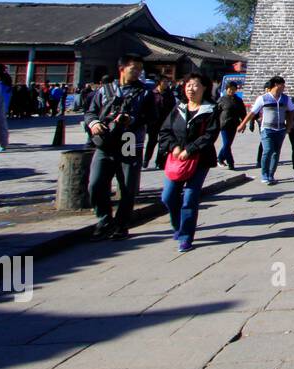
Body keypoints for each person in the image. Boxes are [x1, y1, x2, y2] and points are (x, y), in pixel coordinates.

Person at [84, 54, 157, 240]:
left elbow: (151, 117)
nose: (138, 72)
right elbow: (90, 112)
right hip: (105, 141)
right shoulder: (105, 90)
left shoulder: (145, 92)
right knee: (96, 183)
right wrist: (93, 123)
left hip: (129, 140)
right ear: (122, 68)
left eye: (140, 69)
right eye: (135, 68)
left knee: (127, 186)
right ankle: (104, 219)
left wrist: (131, 119)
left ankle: (122, 223)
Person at [157, 72, 220, 252]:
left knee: (190, 198)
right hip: (177, 159)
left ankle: (186, 237)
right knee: (168, 196)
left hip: (200, 159)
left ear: (204, 88)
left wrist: (190, 150)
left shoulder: (211, 109)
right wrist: (174, 147)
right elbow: (165, 131)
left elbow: (210, 135)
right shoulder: (179, 108)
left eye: (195, 85)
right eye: (188, 85)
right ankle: (178, 224)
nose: (191, 89)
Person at [237, 76, 294, 184]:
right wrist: (242, 124)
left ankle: (271, 175)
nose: (284, 87)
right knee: (268, 150)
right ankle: (264, 174)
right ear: (276, 85)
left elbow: (291, 111)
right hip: (267, 129)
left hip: (280, 129)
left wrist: (289, 126)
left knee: (276, 153)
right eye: (282, 84)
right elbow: (252, 112)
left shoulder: (286, 99)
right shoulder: (263, 98)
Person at [215, 80, 246, 170]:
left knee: (227, 144)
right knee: (227, 144)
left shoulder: (238, 101)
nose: (231, 91)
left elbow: (243, 113)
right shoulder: (222, 99)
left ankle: (220, 158)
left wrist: (243, 124)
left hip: (234, 124)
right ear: (226, 89)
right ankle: (230, 162)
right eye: (229, 89)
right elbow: (216, 112)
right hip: (223, 124)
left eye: (233, 89)